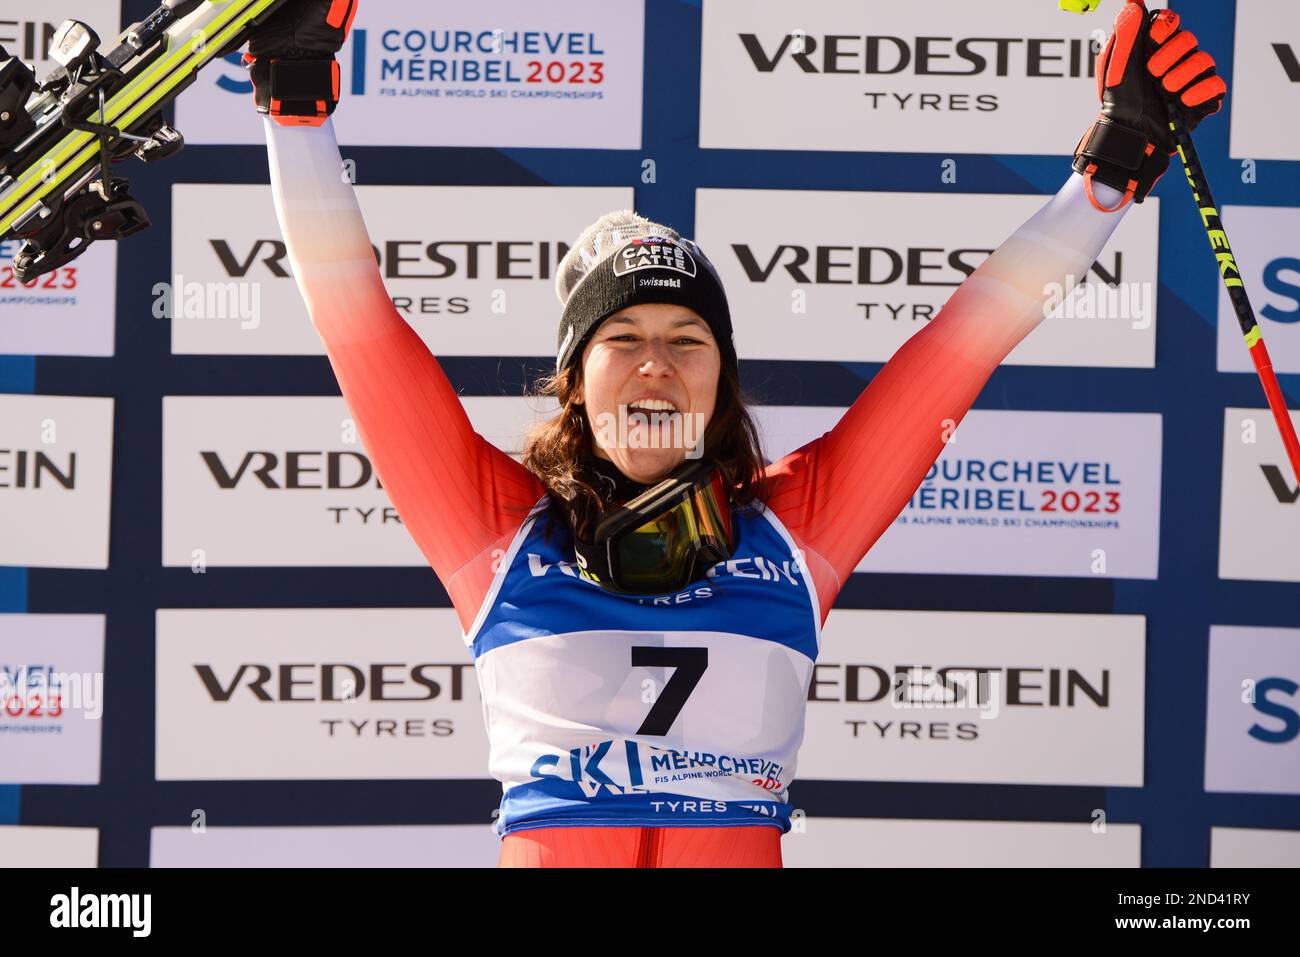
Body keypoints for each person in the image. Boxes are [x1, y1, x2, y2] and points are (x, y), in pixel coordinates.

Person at [246, 0, 1225, 866]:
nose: (656, 363)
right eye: (620, 338)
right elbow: (355, 323)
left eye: (687, 340)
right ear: (574, 385)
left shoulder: (799, 526)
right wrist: (296, 108)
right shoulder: (496, 531)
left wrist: (1111, 171)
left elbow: (963, 346)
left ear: (723, 382)